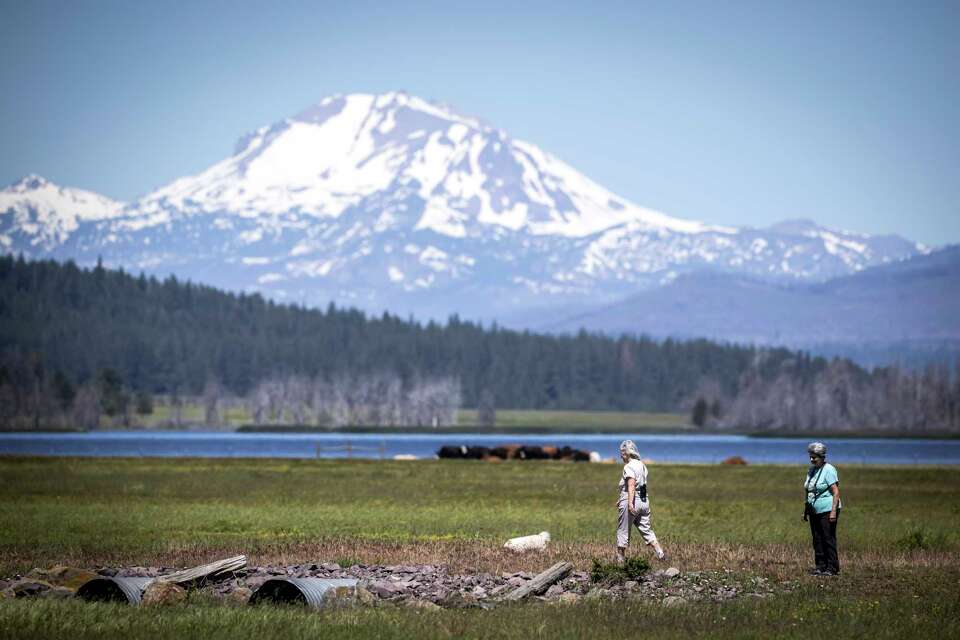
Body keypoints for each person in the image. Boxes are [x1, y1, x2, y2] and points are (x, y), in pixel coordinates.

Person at [616, 439, 666, 563]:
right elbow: (641, 485)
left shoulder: (629, 466)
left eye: (622, 454)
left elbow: (631, 484)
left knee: (623, 530)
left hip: (631, 501)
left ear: (627, 453)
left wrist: (629, 503)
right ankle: (660, 553)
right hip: (643, 500)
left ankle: (620, 560)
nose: (621, 456)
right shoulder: (642, 465)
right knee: (646, 529)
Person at [803, 441, 841, 576]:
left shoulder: (829, 469)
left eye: (814, 457)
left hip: (827, 509)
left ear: (822, 456)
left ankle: (832, 567)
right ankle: (820, 566)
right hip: (814, 510)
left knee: (827, 538)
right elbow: (808, 490)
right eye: (811, 456)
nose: (812, 459)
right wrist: (806, 510)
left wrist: (833, 512)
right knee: (817, 538)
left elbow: (836, 492)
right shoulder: (811, 470)